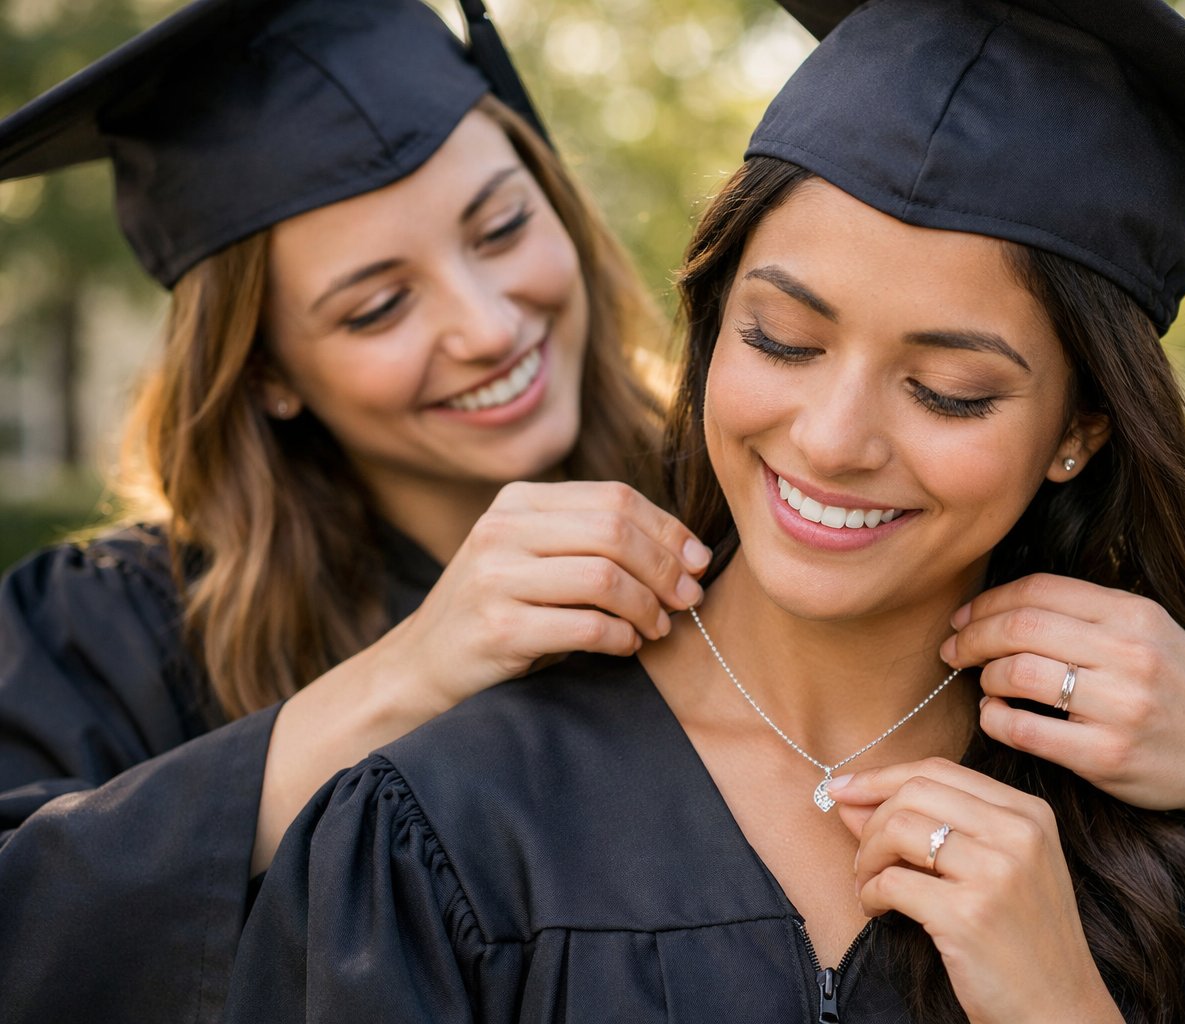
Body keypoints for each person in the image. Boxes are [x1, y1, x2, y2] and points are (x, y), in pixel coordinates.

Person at [222, 0, 1185, 1020]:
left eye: (949, 392)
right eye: (780, 339)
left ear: (1079, 432)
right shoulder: (440, 830)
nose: (832, 441)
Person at [0, 2, 710, 1021]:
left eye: (502, 226)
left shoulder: (739, 522)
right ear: (266, 372)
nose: (488, 324)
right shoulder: (115, 629)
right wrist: (409, 672)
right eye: (378, 306)